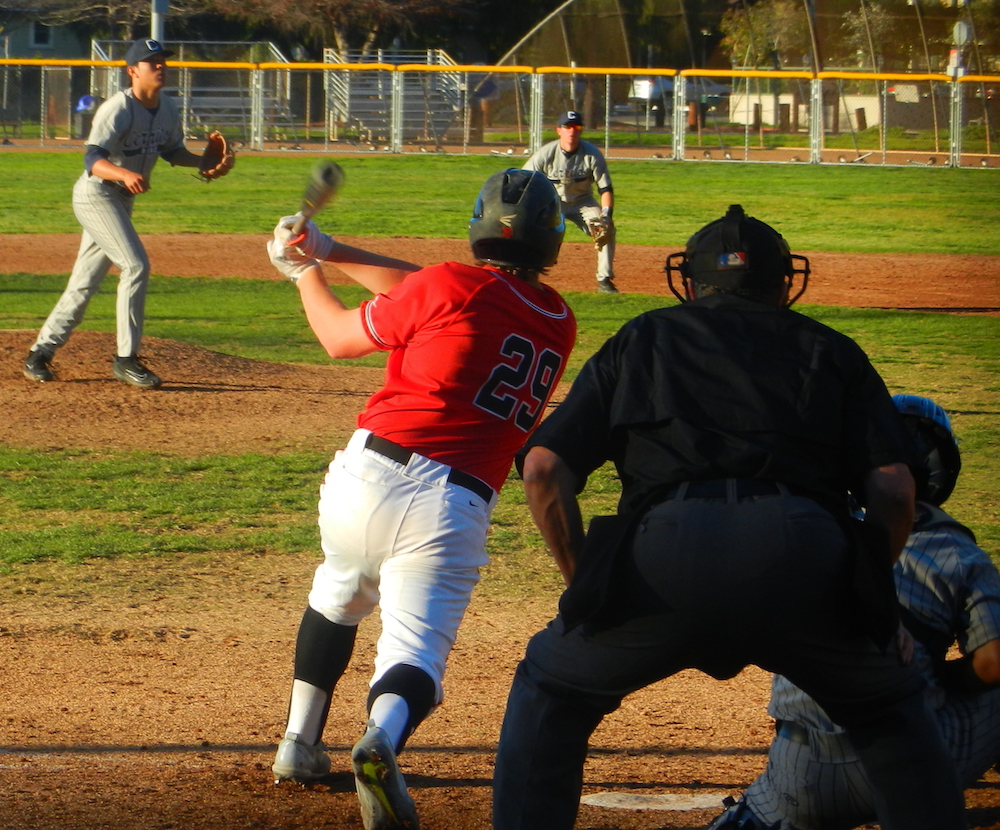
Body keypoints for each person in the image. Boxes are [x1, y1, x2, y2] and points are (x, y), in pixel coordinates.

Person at [491, 204, 967, 830]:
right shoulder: (831, 349)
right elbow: (895, 489)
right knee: (893, 711)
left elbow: (544, 470)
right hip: (805, 554)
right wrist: (870, 599)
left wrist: (587, 587)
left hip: (663, 554)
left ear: (689, 283)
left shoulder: (644, 337)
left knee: (551, 693)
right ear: (781, 284)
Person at [265, 168, 576, 830]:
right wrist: (326, 247)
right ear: (551, 242)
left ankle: (297, 740)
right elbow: (437, 294)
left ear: (478, 226)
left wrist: (304, 274)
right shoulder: (558, 321)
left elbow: (341, 335)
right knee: (414, 654)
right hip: (450, 507)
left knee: (337, 593)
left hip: (363, 478)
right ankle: (380, 739)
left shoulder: (447, 285)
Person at [706, 393, 1000, 830]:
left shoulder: (812, 532)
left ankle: (758, 814)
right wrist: (951, 680)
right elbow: (993, 664)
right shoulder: (960, 553)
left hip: (799, 772)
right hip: (909, 762)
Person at [23, 38, 230, 389]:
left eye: (163, 60)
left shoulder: (166, 107)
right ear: (133, 71)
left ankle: (39, 353)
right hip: (96, 195)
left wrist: (204, 163)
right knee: (135, 266)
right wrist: (124, 173)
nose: (161, 66)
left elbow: (173, 151)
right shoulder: (117, 108)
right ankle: (126, 359)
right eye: (153, 62)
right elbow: (92, 159)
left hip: (119, 201)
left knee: (84, 282)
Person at [523, 110, 618, 294]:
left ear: (581, 130)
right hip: (552, 202)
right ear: (558, 130)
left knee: (606, 230)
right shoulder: (545, 154)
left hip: (583, 201)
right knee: (533, 232)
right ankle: (527, 274)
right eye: (567, 127)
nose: (572, 131)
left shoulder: (591, 154)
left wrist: (606, 215)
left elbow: (605, 189)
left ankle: (604, 280)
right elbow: (525, 181)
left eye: (576, 127)